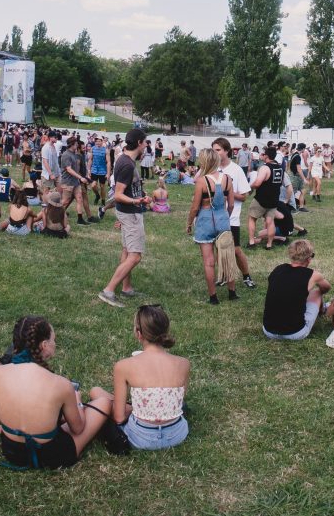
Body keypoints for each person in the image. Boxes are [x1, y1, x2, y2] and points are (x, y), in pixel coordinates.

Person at [0, 316, 112, 469]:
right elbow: (78, 428)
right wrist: (77, 401)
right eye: (54, 339)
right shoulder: (60, 383)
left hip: (12, 451)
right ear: (44, 345)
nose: (55, 343)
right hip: (51, 456)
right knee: (103, 403)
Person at [109, 305, 191, 450]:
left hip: (140, 438)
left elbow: (119, 418)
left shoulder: (123, 366)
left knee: (100, 396)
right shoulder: (184, 363)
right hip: (177, 435)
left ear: (138, 333)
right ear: (165, 331)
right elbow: (179, 401)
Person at [98, 129, 150, 307]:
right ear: (138, 143)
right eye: (144, 142)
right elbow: (119, 195)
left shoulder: (125, 159)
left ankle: (126, 288)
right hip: (130, 213)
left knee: (127, 251)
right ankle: (108, 290)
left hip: (128, 211)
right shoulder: (127, 164)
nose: (146, 145)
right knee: (135, 256)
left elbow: (128, 188)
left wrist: (142, 195)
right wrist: (137, 200)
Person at [187, 148, 235, 304]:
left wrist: (189, 223)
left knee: (209, 261)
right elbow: (232, 204)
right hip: (223, 219)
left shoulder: (202, 180)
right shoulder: (227, 178)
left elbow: (195, 207)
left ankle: (213, 297)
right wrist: (225, 215)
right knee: (227, 257)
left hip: (206, 220)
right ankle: (232, 292)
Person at [261, 239, 331, 340]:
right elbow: (326, 287)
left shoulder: (278, 269)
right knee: (317, 292)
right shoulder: (313, 275)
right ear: (309, 258)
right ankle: (323, 309)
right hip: (295, 333)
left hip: (268, 330)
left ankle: (321, 308)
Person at [213, 137, 255, 289]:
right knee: (219, 247)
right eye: (213, 150)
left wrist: (227, 194)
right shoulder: (212, 168)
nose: (215, 153)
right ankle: (224, 275)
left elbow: (244, 196)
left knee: (236, 250)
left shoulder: (236, 170)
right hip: (215, 216)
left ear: (226, 151)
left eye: (217, 150)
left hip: (231, 217)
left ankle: (246, 276)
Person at [248, 146, 284, 250]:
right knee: (270, 221)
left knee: (252, 218)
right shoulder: (280, 168)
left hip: (261, 199)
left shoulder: (265, 168)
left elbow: (258, 183)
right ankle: (269, 244)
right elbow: (280, 183)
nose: (261, 156)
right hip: (274, 199)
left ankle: (251, 242)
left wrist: (250, 186)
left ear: (266, 156)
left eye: (263, 154)